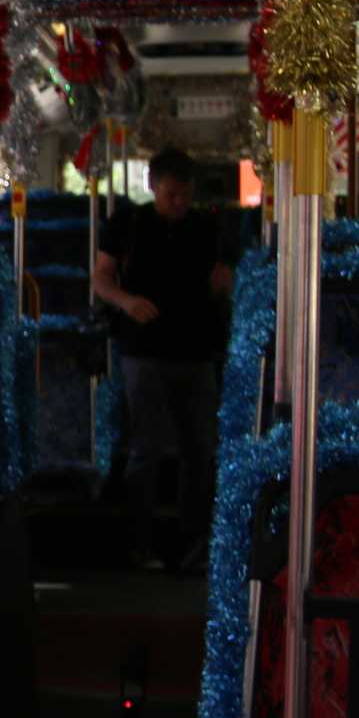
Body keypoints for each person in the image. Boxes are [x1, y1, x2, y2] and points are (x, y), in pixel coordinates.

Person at [92, 147, 234, 571]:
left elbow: (220, 280)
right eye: (171, 194)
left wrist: (224, 286)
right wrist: (127, 301)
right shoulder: (129, 224)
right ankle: (141, 543)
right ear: (153, 187)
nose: (178, 203)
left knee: (200, 450)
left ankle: (194, 543)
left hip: (195, 349)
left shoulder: (207, 228)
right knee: (147, 448)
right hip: (145, 350)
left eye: (184, 196)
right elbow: (101, 278)